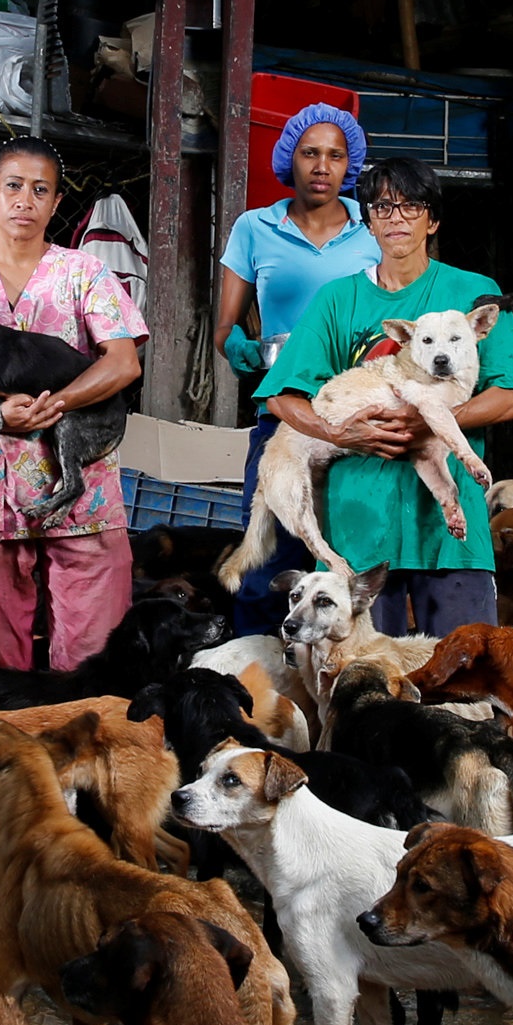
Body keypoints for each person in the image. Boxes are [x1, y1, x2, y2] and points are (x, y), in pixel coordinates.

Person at [256, 154, 513, 636]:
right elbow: (282, 398)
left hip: (451, 536)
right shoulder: (337, 299)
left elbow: (509, 397)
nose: (395, 217)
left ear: (433, 219)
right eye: (382, 208)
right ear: (367, 222)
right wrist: (344, 431)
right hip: (359, 533)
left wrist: (433, 419)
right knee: (370, 687)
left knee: (465, 680)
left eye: (410, 206)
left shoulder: (473, 293)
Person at [0, 137, 147, 670]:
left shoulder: (85, 274)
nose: (25, 200)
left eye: (40, 190)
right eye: (13, 187)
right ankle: (2, 748)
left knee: (96, 649)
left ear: (56, 202)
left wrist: (53, 404)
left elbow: (122, 363)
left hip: (78, 491)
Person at [210, 104, 381, 633]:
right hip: (282, 413)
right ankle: (255, 675)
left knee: (345, 552)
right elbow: (225, 327)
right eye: (310, 153)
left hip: (355, 417)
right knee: (266, 551)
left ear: (350, 165)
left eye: (336, 155)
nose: (322, 166)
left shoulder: (374, 230)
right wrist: (235, 343)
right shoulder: (254, 228)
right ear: (291, 160)